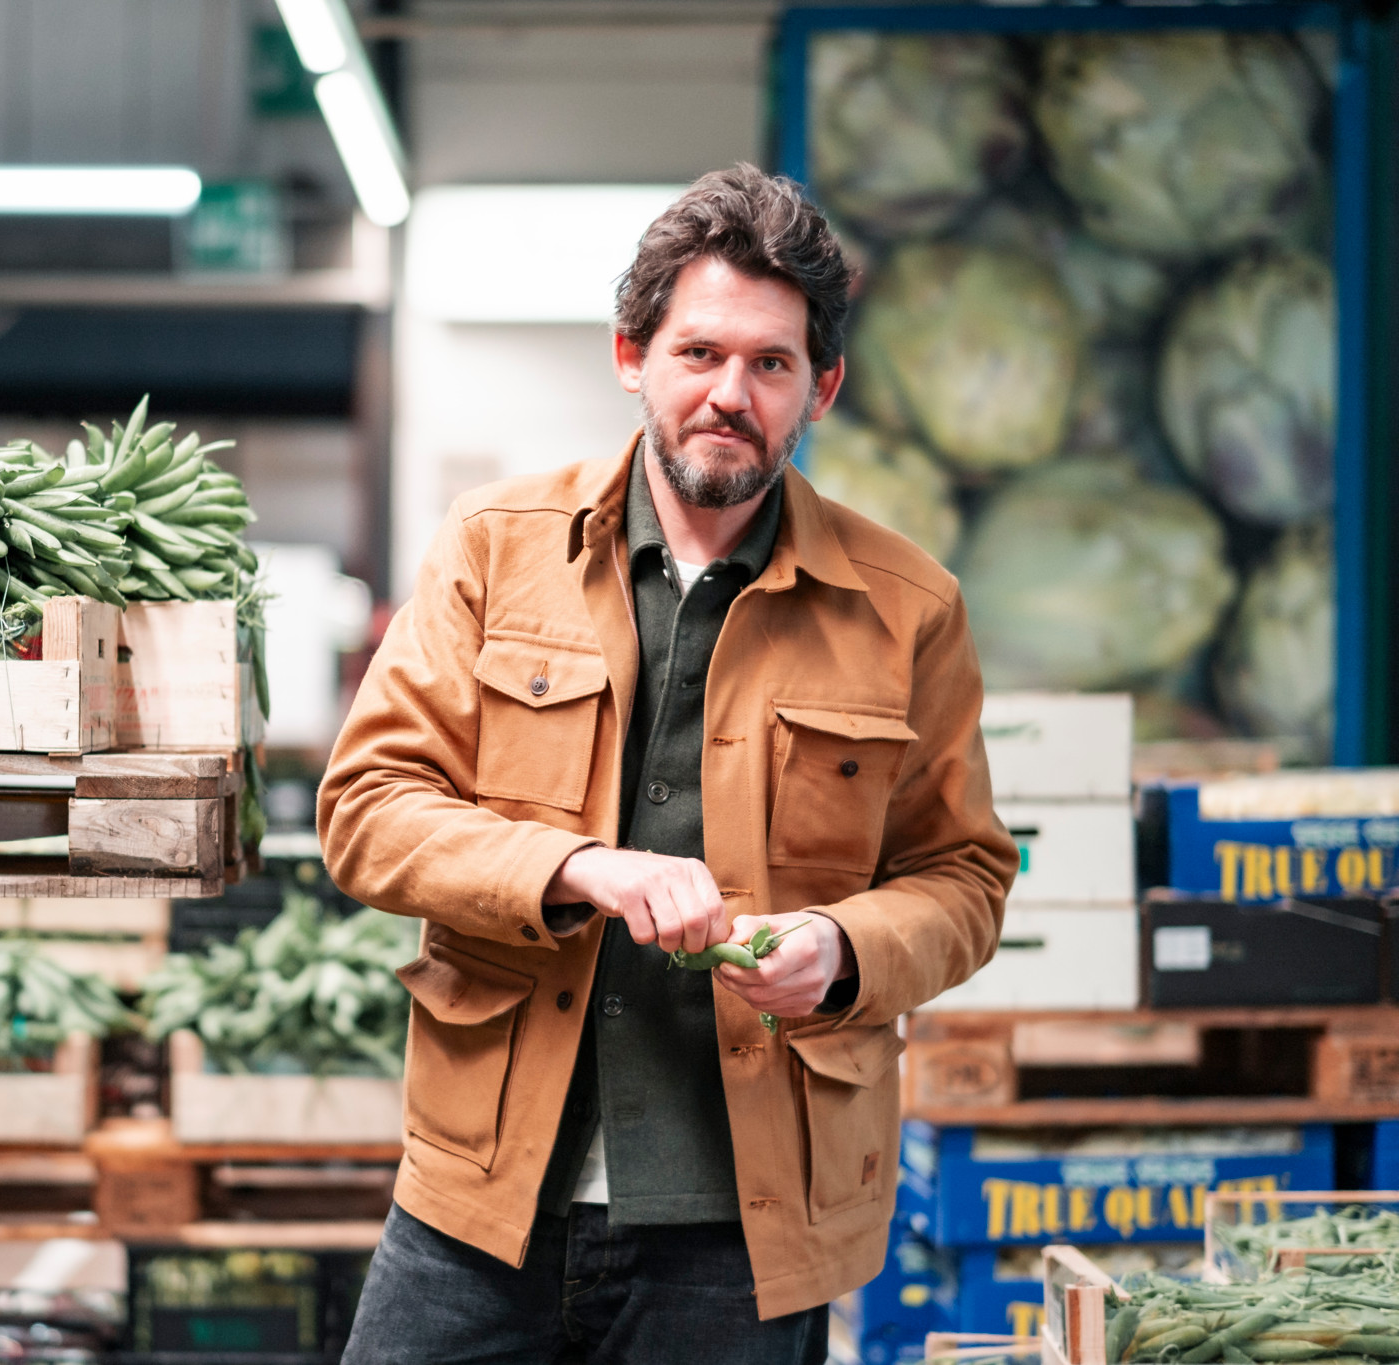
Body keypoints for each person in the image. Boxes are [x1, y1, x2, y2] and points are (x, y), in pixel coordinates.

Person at [317, 165, 1017, 1364]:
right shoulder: (495, 549)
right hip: (481, 1203)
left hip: (740, 1230)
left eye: (769, 364)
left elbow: (962, 875)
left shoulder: (905, 608)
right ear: (630, 356)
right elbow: (367, 811)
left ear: (821, 388)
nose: (728, 394)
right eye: (697, 354)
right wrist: (580, 866)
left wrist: (848, 950)